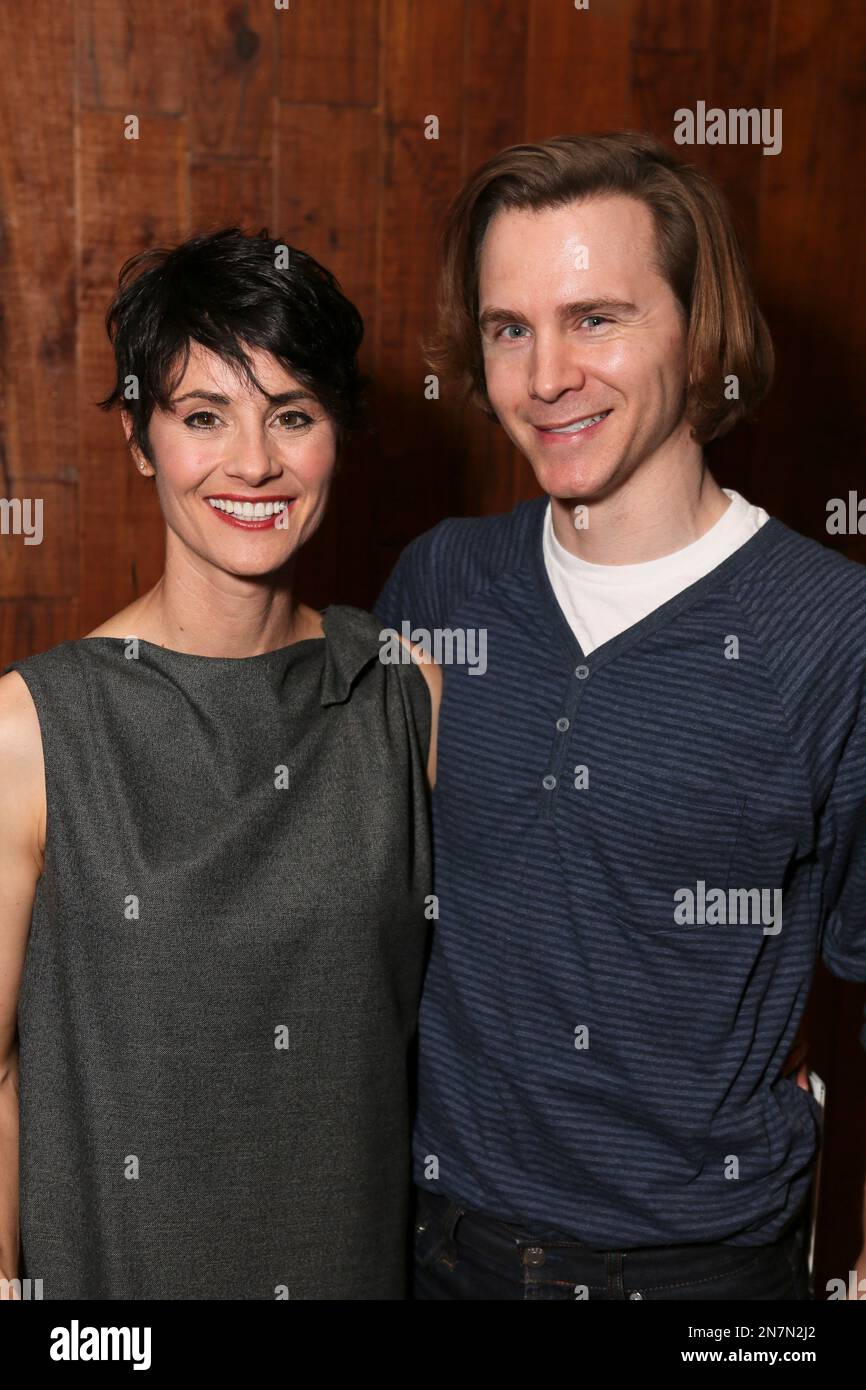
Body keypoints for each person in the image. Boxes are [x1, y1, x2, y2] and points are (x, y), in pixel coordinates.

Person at [374, 132, 866, 1300]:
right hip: (436, 1254)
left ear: (698, 335)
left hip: (704, 1279)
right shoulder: (439, 582)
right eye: (507, 329)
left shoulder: (832, 633)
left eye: (595, 318)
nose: (544, 374)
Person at [0, 228, 440, 1300]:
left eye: (292, 414)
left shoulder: (406, 696)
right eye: (204, 417)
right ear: (142, 440)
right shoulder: (32, 725)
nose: (254, 463)